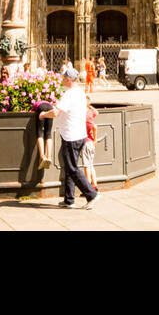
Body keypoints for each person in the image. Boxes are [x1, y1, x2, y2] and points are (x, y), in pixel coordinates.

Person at [39, 66, 98, 209]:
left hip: (71, 136)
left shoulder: (69, 94)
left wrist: (43, 115)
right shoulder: (79, 93)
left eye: (64, 78)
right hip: (79, 134)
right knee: (70, 166)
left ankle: (92, 194)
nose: (62, 80)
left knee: (72, 168)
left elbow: (55, 113)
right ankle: (69, 200)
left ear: (70, 80)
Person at [79, 92, 99, 193]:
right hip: (91, 142)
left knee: (86, 165)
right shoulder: (91, 112)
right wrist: (89, 105)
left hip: (85, 141)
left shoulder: (82, 114)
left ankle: (88, 188)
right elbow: (97, 112)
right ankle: (94, 185)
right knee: (91, 164)